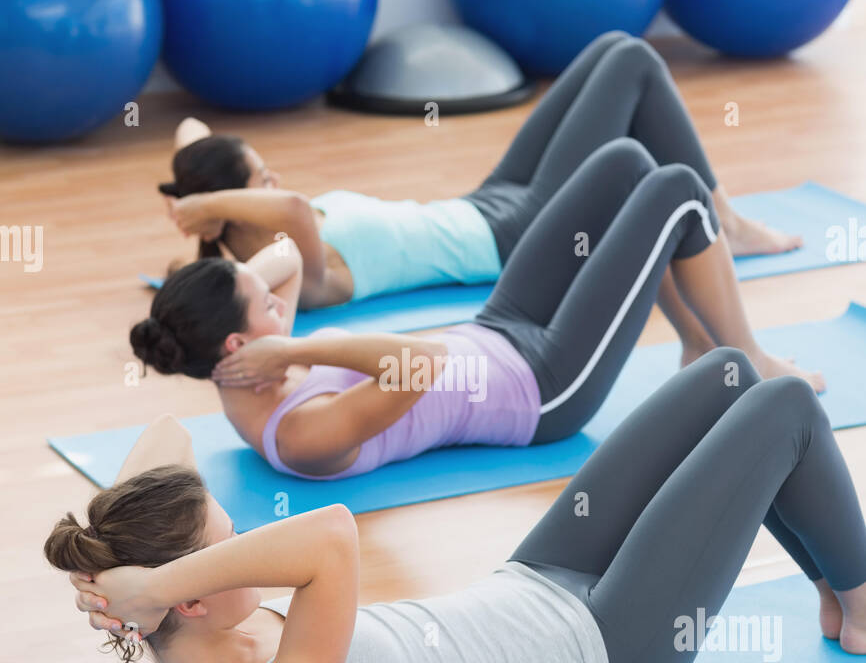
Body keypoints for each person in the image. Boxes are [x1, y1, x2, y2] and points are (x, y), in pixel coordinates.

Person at [47, 352, 866, 663]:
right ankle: (860, 599)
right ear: (186, 596)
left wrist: (126, 582)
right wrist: (149, 584)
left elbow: (165, 440)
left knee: (728, 374)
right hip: (607, 660)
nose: (250, 541)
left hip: (534, 581)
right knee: (784, 404)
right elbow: (331, 537)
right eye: (230, 543)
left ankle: (835, 583)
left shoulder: (188, 647)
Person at [131, 137, 823, 480]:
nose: (279, 302)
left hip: (497, 327)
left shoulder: (247, 357)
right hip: (544, 389)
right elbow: (423, 365)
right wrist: (296, 349)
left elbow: (281, 250)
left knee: (623, 161)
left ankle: (701, 347)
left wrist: (257, 309)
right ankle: (747, 357)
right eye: (266, 309)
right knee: (673, 188)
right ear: (236, 347)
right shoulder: (297, 433)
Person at [160, 32, 801, 357]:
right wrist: (208, 206)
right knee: (633, 64)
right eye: (261, 180)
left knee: (612, 45)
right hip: (513, 235)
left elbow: (193, 135)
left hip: (483, 202)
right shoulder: (290, 264)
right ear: (233, 211)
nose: (278, 182)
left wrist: (197, 197)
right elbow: (293, 209)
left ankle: (725, 218)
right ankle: (725, 221)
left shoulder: (240, 228)